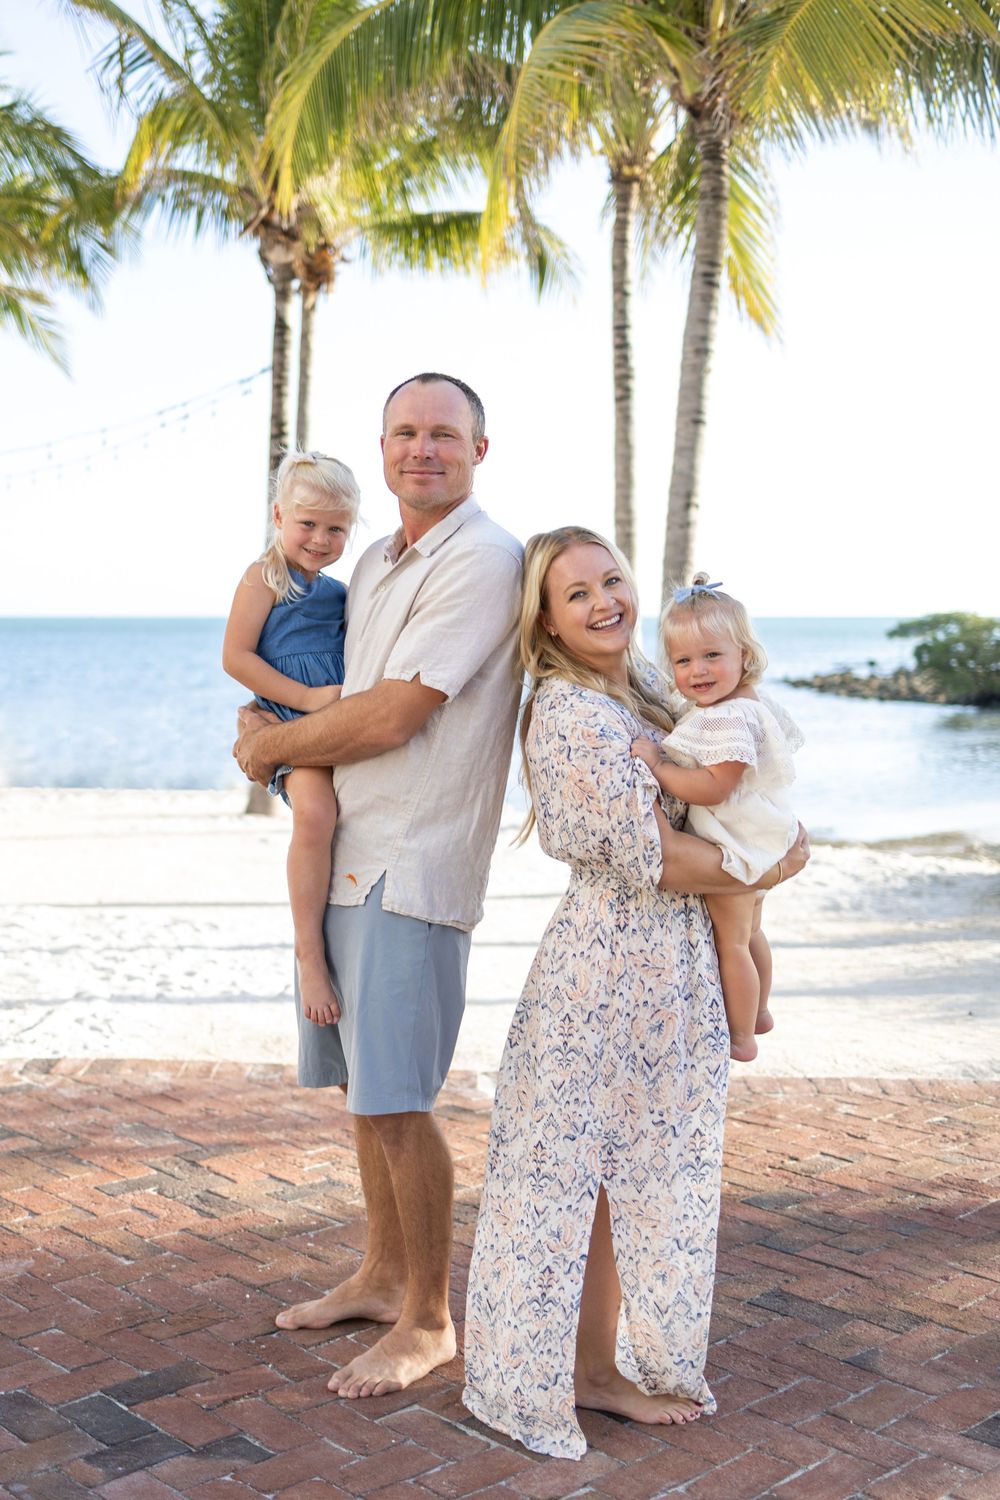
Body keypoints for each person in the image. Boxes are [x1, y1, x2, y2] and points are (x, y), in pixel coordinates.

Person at [462, 527, 809, 1460]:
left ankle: (603, 1367)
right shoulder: (569, 712)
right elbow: (651, 856)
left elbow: (731, 791)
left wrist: (762, 847)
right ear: (545, 619)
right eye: (576, 594)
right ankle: (568, 1373)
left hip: (674, 967)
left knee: (637, 1178)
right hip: (607, 974)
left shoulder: (649, 689)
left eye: (611, 580)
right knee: (572, 1178)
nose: (604, 601)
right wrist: (770, 861)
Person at [233, 373, 522, 1399]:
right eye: (404, 432)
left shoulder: (484, 559)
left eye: (444, 434)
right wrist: (273, 736)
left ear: (479, 451)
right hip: (351, 849)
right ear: (384, 446)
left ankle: (431, 1319)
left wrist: (270, 747)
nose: (422, 449)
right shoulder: (372, 559)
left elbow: (395, 715)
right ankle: (382, 1272)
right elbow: (333, 688)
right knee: (366, 1091)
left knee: (402, 1099)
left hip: (415, 864)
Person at [631, 574, 803, 1062]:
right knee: (751, 932)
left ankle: (743, 1035)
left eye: (712, 656)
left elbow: (715, 786)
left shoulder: (725, 717)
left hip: (737, 841)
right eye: (683, 660)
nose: (697, 671)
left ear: (743, 656)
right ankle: (763, 1011)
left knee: (731, 943)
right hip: (764, 832)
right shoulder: (747, 701)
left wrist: (660, 766)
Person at [223, 450, 360, 1028]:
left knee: (347, 816)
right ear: (278, 516)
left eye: (337, 528)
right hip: (289, 721)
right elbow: (235, 657)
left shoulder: (338, 592)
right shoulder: (264, 577)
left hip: (336, 721)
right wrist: (304, 702)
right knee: (315, 816)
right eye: (308, 524)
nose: (321, 538)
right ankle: (309, 954)